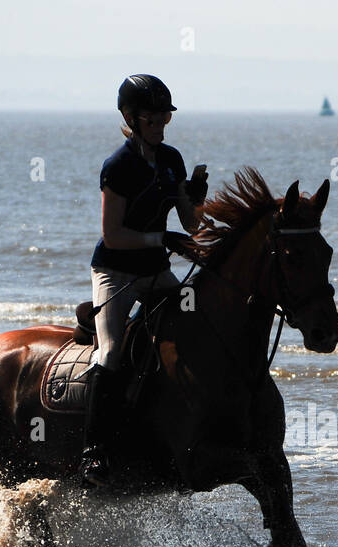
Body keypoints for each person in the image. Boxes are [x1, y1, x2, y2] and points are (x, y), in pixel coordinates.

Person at [80, 73, 209, 487]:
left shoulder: (172, 159)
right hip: (116, 272)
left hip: (155, 272)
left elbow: (190, 224)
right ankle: (93, 454)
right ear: (130, 118)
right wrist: (162, 237)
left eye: (163, 115)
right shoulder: (117, 167)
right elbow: (113, 234)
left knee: (198, 326)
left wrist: (196, 198)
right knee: (114, 350)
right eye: (150, 115)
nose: (159, 122)